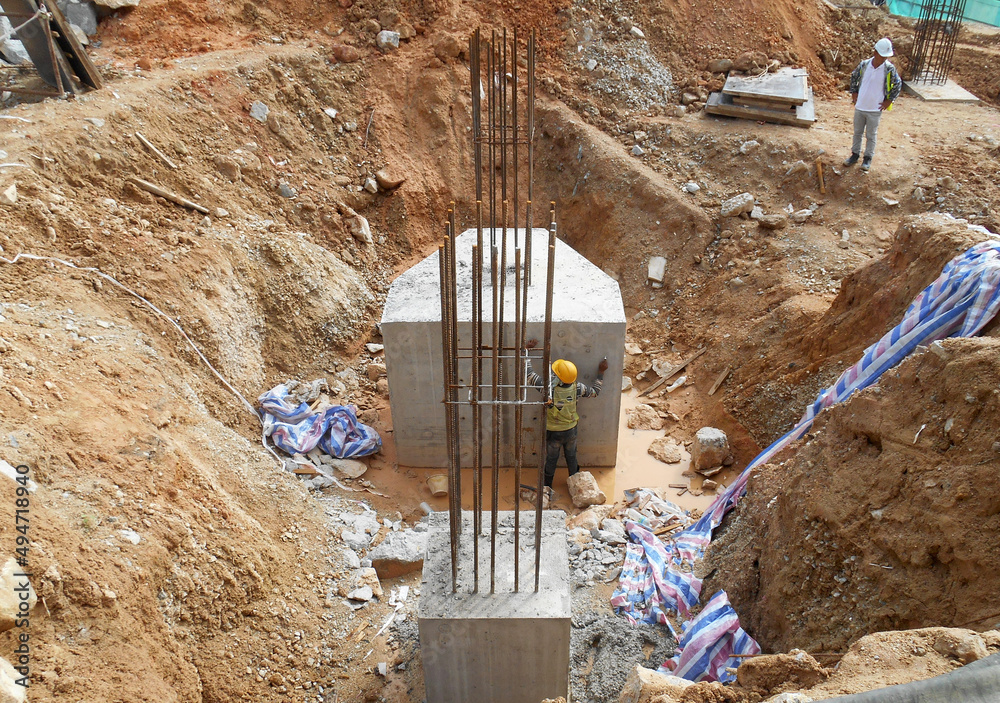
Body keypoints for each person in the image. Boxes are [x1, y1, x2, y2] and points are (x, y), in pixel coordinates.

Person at [524, 339, 608, 491]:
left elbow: (529, 376)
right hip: (571, 431)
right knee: (571, 457)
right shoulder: (578, 388)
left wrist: (527, 352)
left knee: (551, 459)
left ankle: (547, 488)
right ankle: (577, 487)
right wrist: (601, 372)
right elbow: (595, 392)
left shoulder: (548, 389)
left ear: (558, 377)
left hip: (553, 432)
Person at [844, 37, 902, 173]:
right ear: (875, 52)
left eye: (886, 57)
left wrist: (889, 100)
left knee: (871, 135)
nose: (884, 59)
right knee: (857, 132)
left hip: (875, 109)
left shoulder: (889, 69)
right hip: (860, 106)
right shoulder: (864, 65)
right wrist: (854, 92)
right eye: (882, 56)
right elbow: (854, 76)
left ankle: (867, 158)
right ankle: (854, 155)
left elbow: (898, 84)